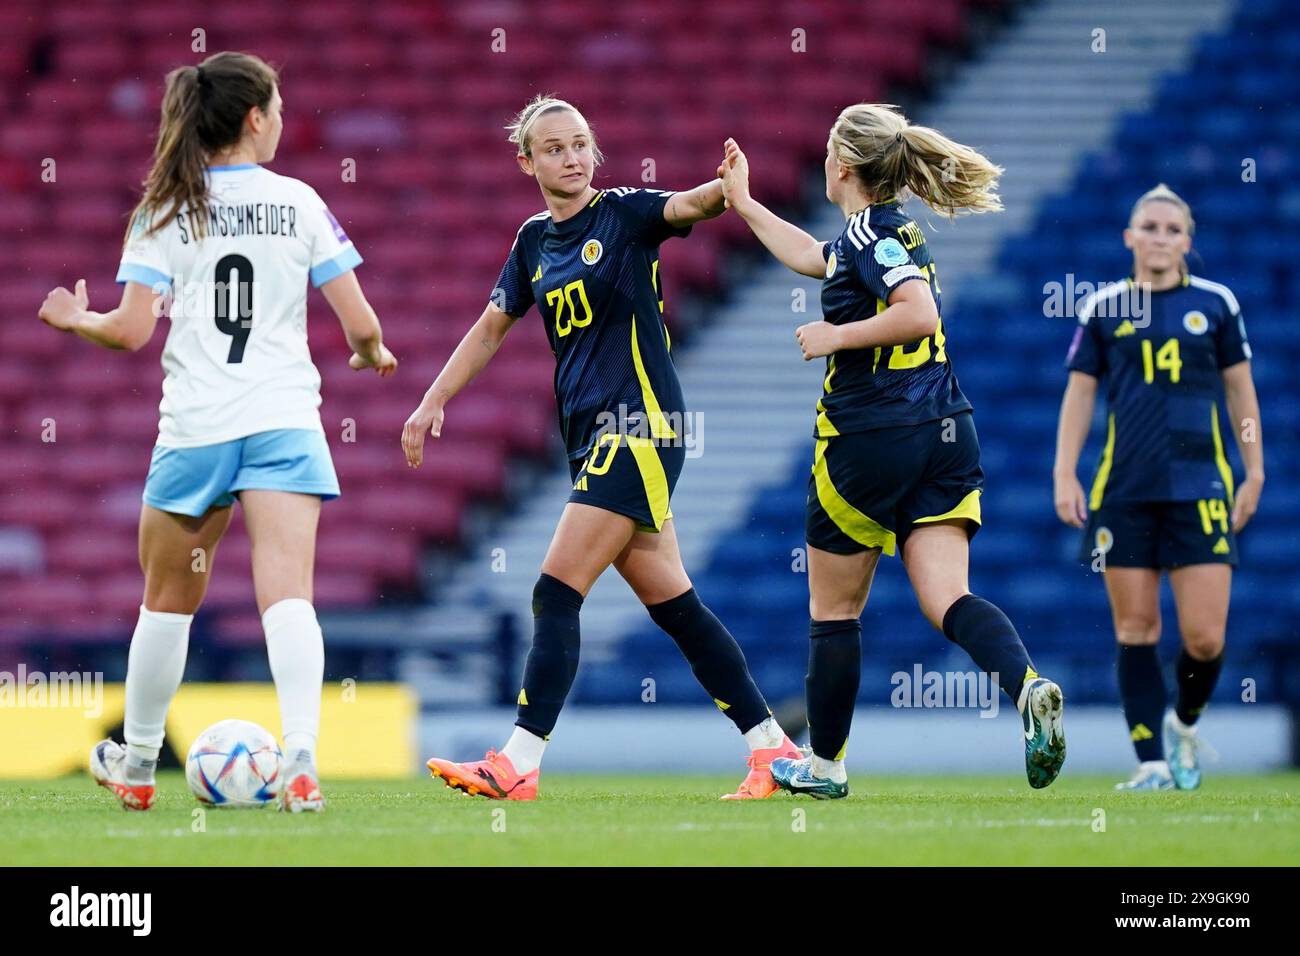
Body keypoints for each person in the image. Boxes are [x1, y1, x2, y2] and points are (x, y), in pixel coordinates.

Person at [407, 95, 799, 801]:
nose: (573, 157)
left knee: (554, 590)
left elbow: (687, 206)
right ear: (526, 161)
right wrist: (434, 398)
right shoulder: (533, 242)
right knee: (675, 605)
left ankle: (518, 761)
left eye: (581, 143)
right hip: (591, 438)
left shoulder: (622, 214)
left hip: (639, 426)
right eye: (554, 148)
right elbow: (491, 327)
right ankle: (771, 748)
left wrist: (726, 191)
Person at [37, 52, 397, 812]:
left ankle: (136, 766)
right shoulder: (299, 201)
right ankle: (300, 755)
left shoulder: (163, 208)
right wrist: (371, 353)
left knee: (166, 602)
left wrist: (78, 320)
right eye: (280, 107)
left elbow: (132, 333)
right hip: (282, 423)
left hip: (197, 426)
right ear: (255, 118)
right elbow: (361, 324)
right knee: (288, 595)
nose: (285, 120)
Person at [717, 103, 1066, 798]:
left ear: (843, 166)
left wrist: (834, 338)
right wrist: (746, 204)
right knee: (948, 597)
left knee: (834, 611)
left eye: (824, 150)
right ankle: (1025, 687)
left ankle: (824, 768)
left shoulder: (874, 237)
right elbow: (815, 259)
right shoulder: (876, 233)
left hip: (870, 437)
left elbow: (918, 310)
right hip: (944, 432)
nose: (819, 161)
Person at [1053, 184, 1262, 791]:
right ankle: (1149, 763)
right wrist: (1066, 471)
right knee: (1136, 629)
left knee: (1205, 636)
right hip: (1125, 490)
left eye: (1173, 229)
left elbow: (1241, 394)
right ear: (1130, 237)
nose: (1160, 237)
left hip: (1202, 488)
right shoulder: (1104, 308)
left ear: (1187, 243)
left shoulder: (1216, 304)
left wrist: (1256, 467)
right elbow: (1080, 394)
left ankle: (1183, 722)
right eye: (1150, 226)